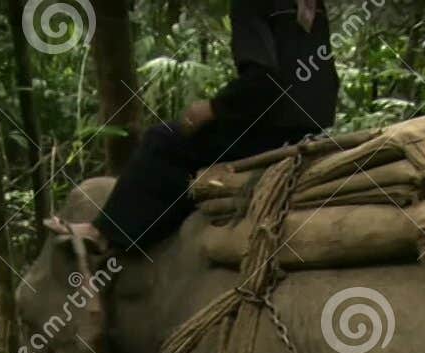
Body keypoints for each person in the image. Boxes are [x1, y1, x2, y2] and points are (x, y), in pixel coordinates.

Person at [68, 0, 339, 254]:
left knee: (163, 140)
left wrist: (214, 108)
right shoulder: (310, 4)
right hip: (310, 129)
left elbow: (263, 79)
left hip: (270, 131)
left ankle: (106, 234)